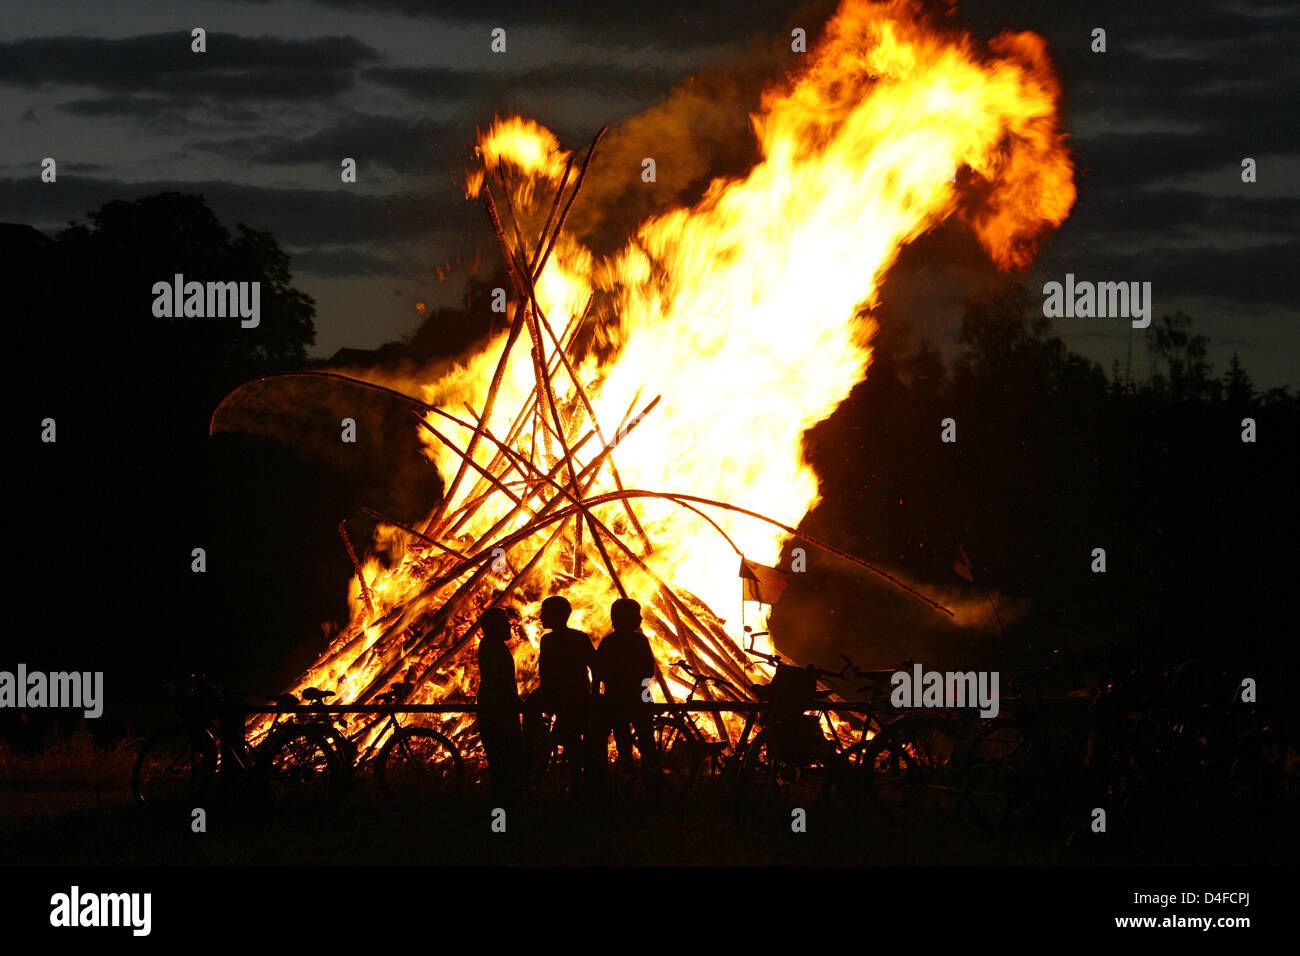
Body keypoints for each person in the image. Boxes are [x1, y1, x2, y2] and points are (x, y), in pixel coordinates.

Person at [591, 597, 658, 780]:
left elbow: (598, 672)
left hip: (616, 698)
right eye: (637, 615)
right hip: (635, 697)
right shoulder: (639, 641)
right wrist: (647, 696)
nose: (641, 619)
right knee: (646, 738)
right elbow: (648, 670)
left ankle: (628, 774)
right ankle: (647, 775)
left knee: (623, 738)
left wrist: (597, 694)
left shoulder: (609, 642)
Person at [527, 595, 594, 758]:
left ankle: (530, 748)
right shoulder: (579, 637)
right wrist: (593, 693)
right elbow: (596, 665)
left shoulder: (548, 640)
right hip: (577, 693)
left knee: (530, 705)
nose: (541, 616)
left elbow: (545, 671)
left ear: (556, 615)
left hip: (561, 695)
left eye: (545, 613)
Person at [476, 607, 523, 803]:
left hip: (498, 708)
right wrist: (514, 703)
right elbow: (499, 682)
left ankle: (505, 804)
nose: (509, 626)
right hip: (497, 712)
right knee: (504, 759)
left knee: (502, 761)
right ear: (494, 626)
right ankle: (504, 812)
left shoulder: (492, 645)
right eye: (504, 622)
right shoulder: (493, 647)